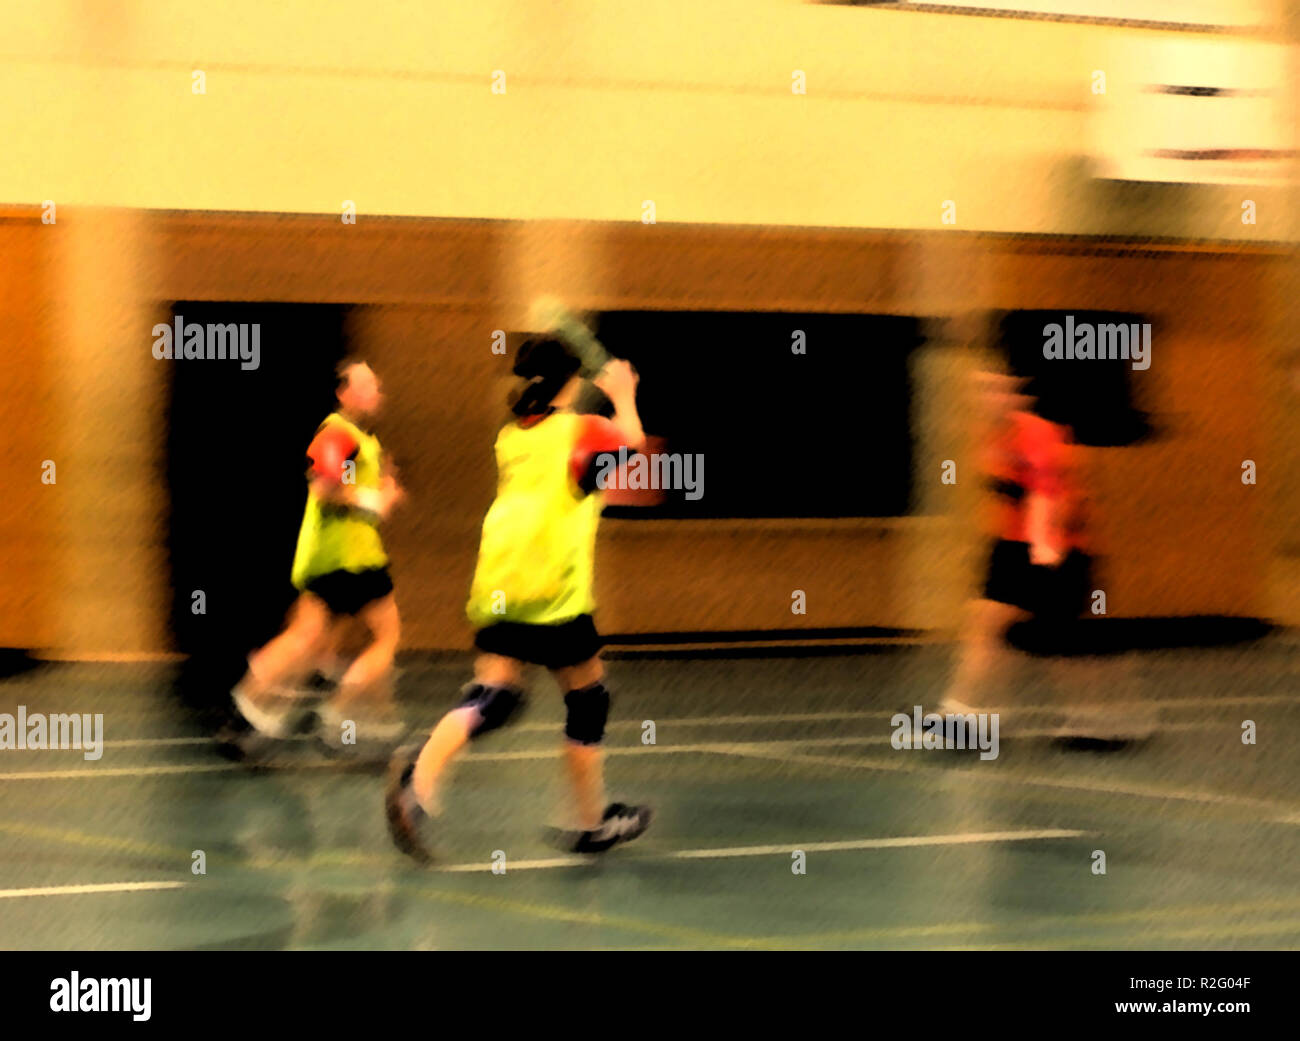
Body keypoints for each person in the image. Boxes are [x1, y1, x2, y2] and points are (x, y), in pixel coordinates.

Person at [385, 337, 651, 862]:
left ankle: (420, 783)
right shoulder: (579, 431)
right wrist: (623, 394)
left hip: (499, 579)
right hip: (552, 590)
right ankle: (589, 822)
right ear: (571, 381)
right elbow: (633, 446)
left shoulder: (511, 435)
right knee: (588, 700)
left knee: (495, 695)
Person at [232, 360, 406, 753]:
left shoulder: (362, 441)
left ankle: (248, 712)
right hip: (349, 558)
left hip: (334, 554)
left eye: (376, 385)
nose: (376, 392)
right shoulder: (337, 432)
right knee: (386, 636)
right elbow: (326, 486)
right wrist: (375, 499)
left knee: (306, 638)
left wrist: (383, 495)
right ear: (343, 393)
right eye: (365, 385)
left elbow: (354, 491)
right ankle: (339, 719)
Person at [941, 368, 1093, 723]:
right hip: (1010, 547)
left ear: (1016, 395)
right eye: (979, 390)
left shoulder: (1035, 434)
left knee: (1052, 645)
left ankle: (1100, 710)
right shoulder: (989, 437)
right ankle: (968, 711)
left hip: (1050, 548)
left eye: (995, 389)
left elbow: (1047, 493)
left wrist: (1044, 549)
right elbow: (1006, 497)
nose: (985, 398)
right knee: (986, 627)